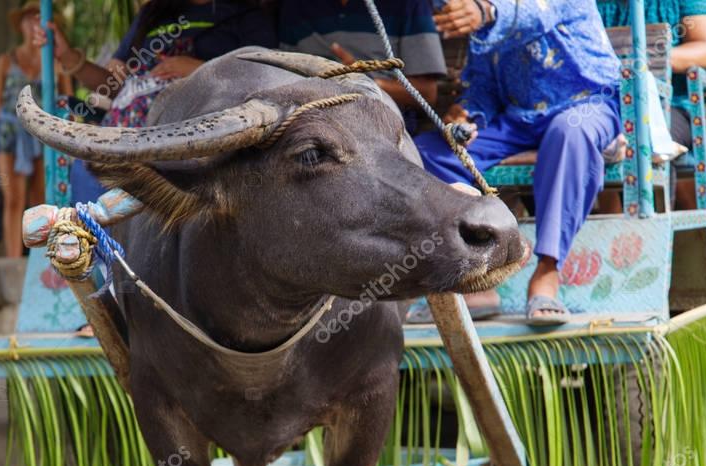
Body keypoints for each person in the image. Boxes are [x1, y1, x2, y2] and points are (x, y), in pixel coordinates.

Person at [415, 1, 623, 325]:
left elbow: (534, 11)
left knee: (569, 133)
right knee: (429, 152)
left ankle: (547, 273)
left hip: (587, 105)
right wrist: (466, 113)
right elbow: (481, 86)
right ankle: (475, 277)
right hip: (518, 121)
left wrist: (484, 12)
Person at [32, 0, 277, 203]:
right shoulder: (153, 13)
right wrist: (68, 56)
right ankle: (98, 256)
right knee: (86, 169)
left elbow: (264, 80)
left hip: (189, 138)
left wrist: (199, 70)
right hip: (123, 132)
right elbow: (112, 86)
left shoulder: (247, 16)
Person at [598, 1, 706, 211]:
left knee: (647, 135)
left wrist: (639, 62)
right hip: (604, 106)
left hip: (672, 107)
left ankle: (651, 230)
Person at [0, 1, 73, 258]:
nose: (33, 22)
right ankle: (13, 261)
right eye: (28, 18)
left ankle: (41, 263)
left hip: (41, 133)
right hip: (9, 134)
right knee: (12, 199)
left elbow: (69, 100)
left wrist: (69, 140)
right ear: (21, 24)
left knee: (40, 201)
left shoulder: (56, 62)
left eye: (39, 17)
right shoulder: (5, 60)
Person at [277, 0, 446, 128]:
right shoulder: (296, 6)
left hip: (381, 123)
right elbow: (283, 75)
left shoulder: (410, 4)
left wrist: (363, 82)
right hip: (309, 122)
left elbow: (427, 93)